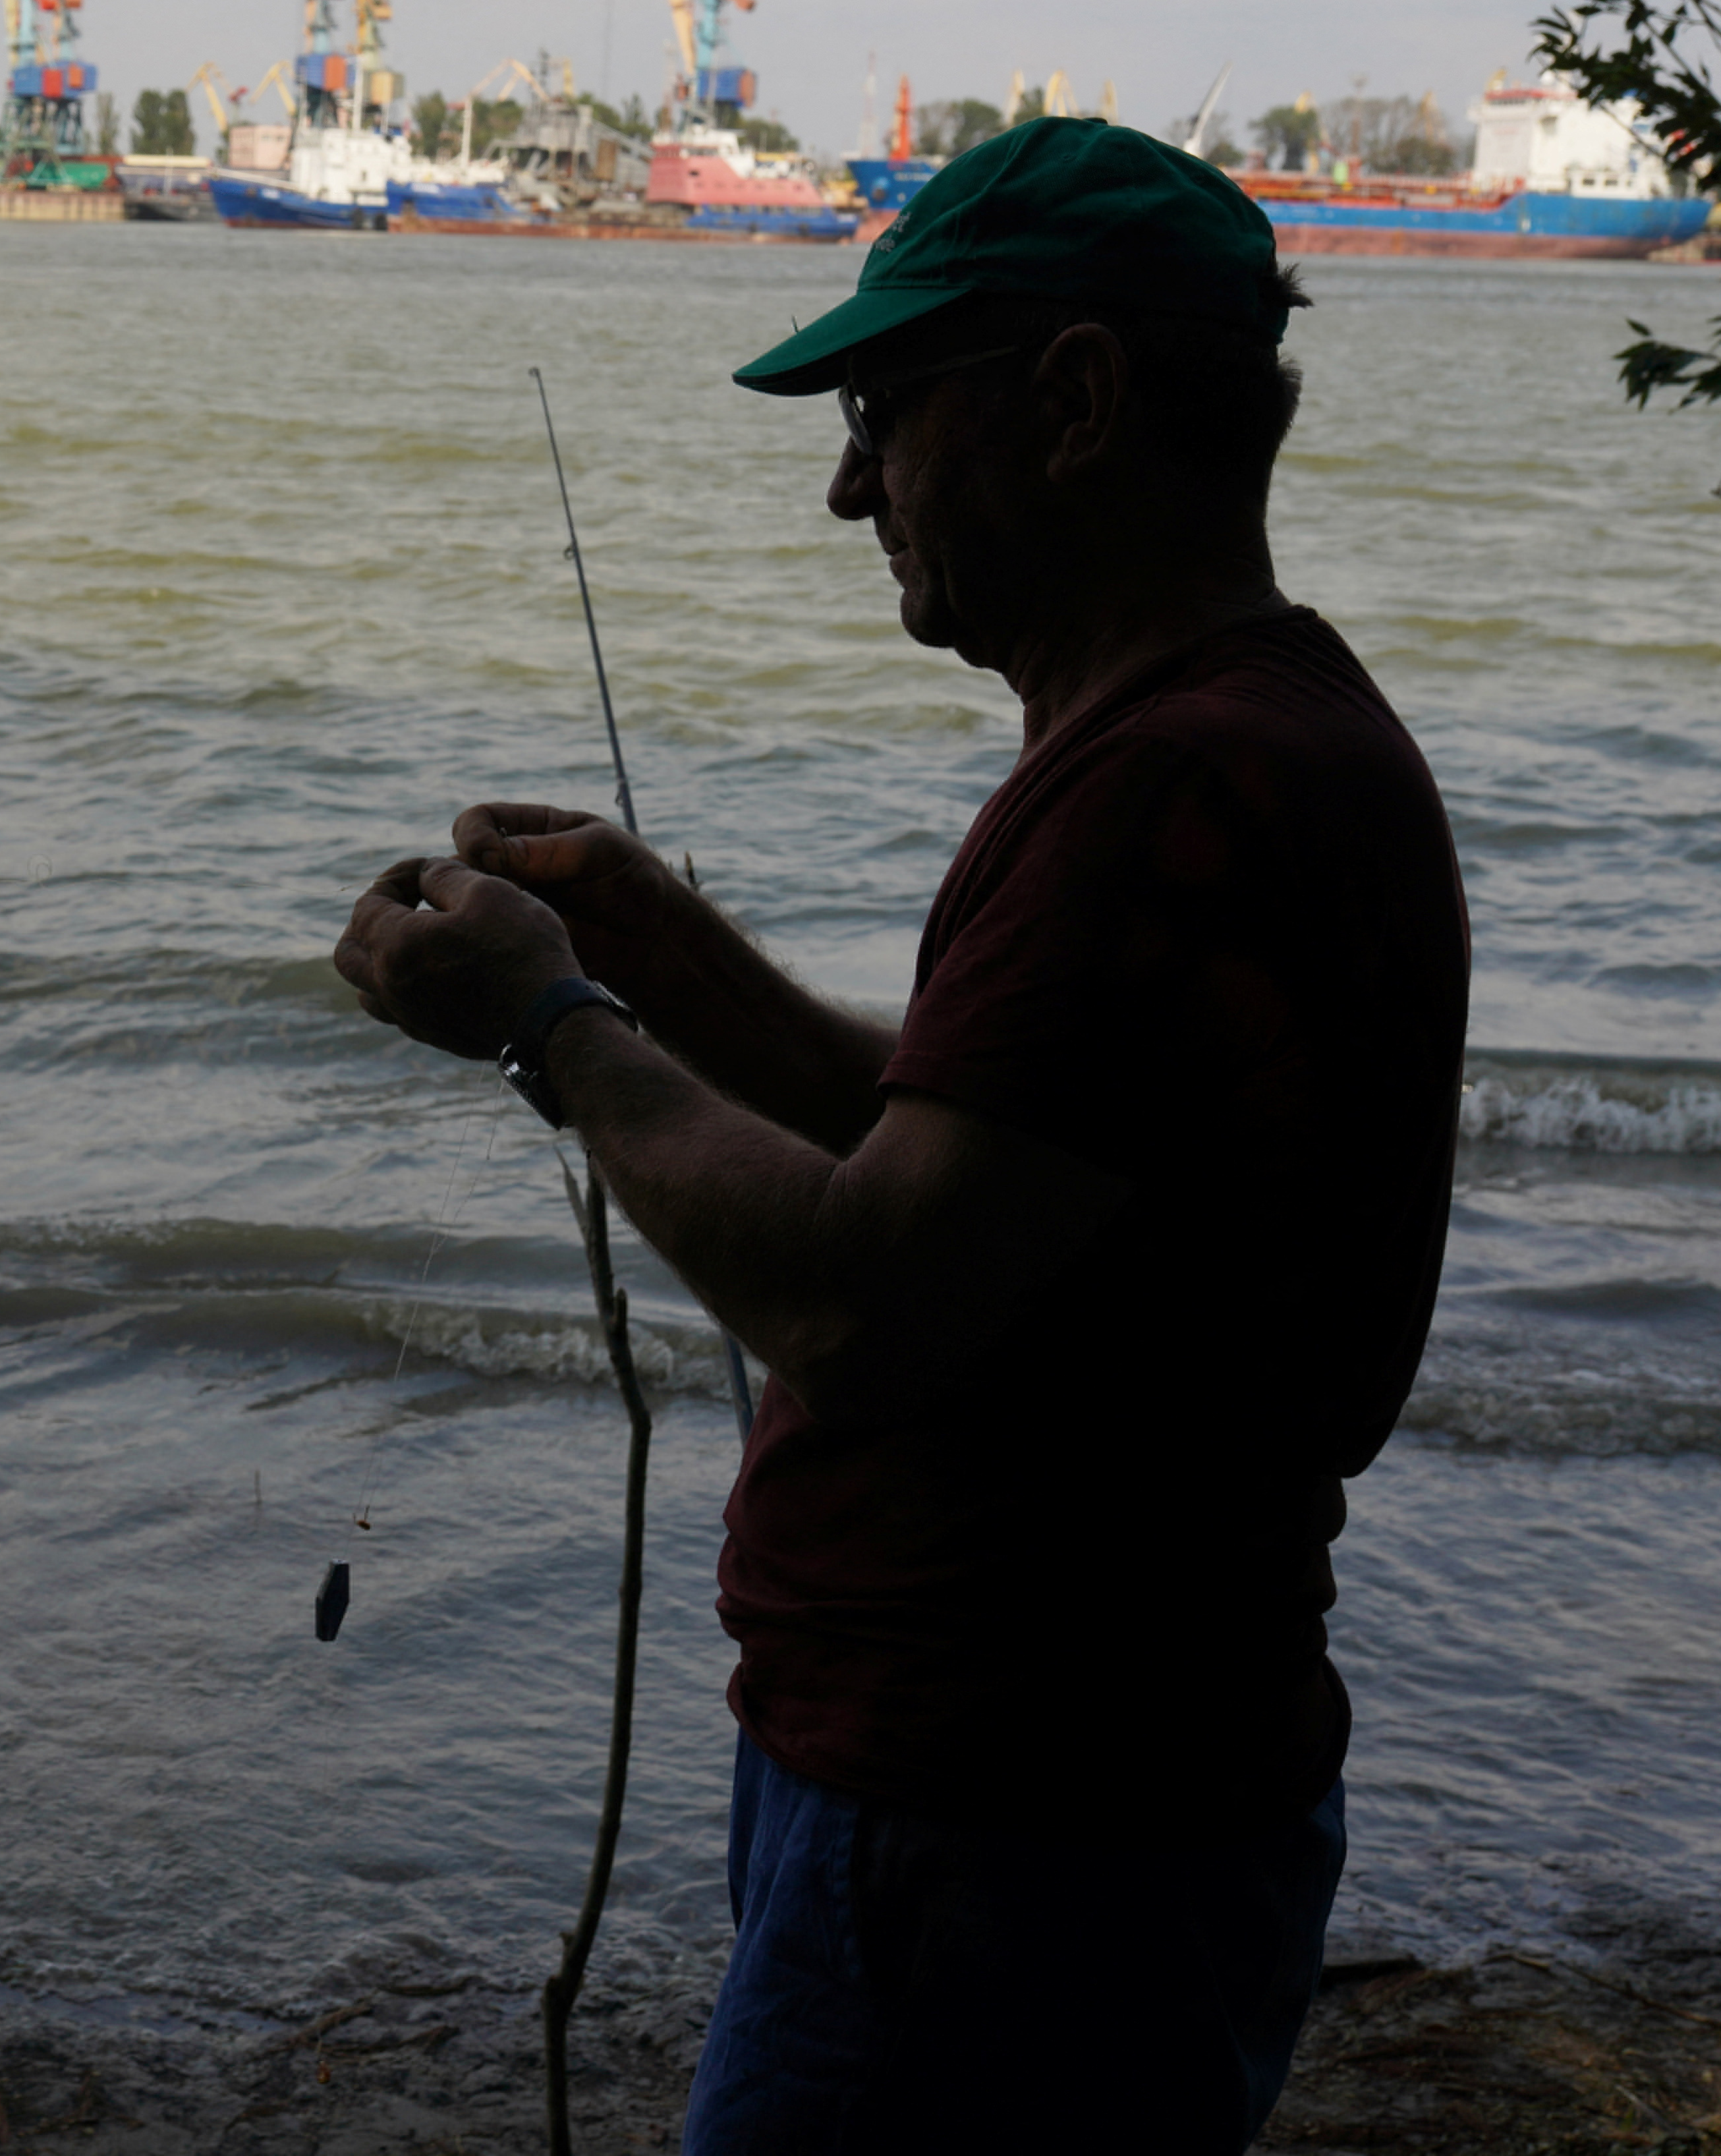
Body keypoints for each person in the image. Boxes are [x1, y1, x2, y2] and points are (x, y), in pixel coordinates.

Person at [329, 121, 1469, 2153]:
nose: (852, 481)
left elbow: (867, 1300)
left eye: (883, 411)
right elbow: (1002, 1181)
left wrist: (554, 1025)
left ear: (1080, 399)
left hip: (1011, 1814)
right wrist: (668, 959)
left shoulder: (1169, 792)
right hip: (1073, 1790)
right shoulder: (1242, 737)